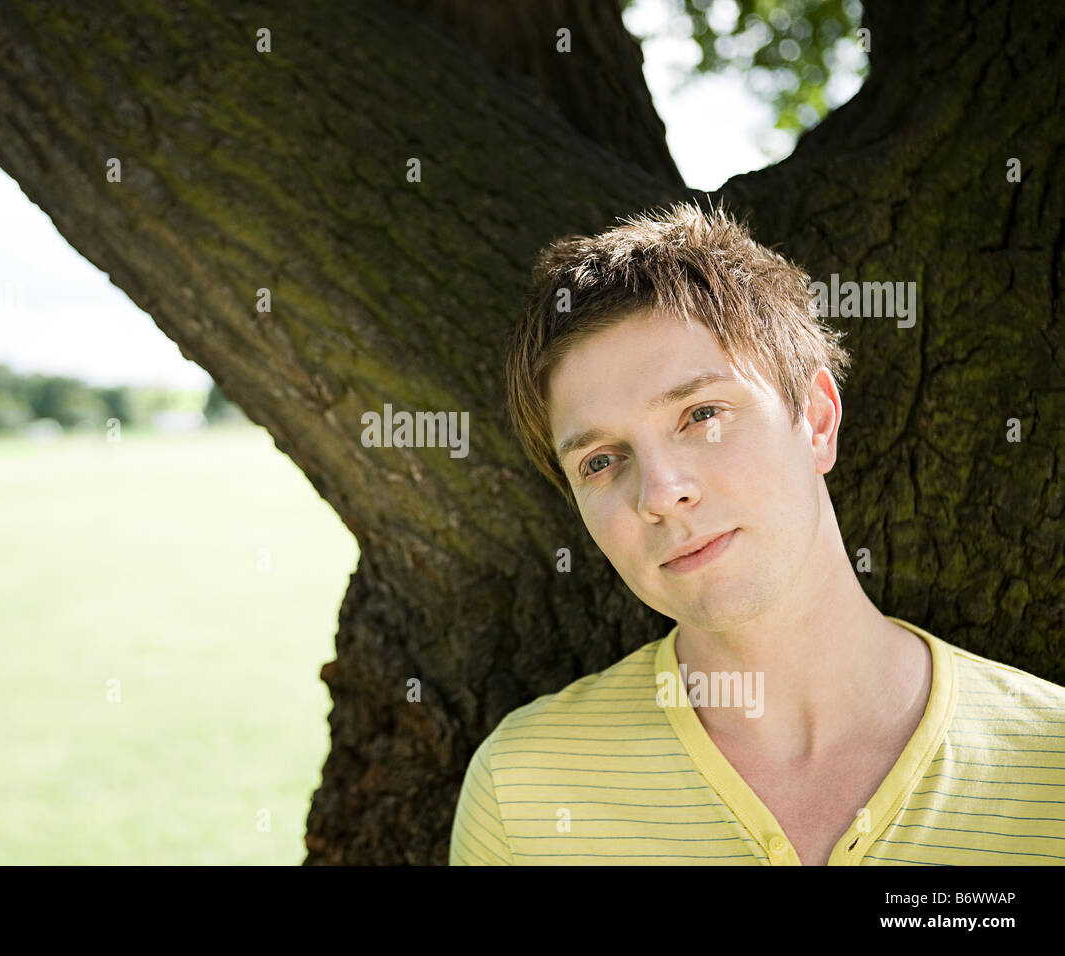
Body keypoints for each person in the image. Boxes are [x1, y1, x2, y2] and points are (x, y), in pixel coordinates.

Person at [449, 202, 1065, 865]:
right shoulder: (523, 790)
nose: (661, 494)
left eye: (702, 413)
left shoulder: (1051, 764)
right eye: (601, 461)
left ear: (818, 420)